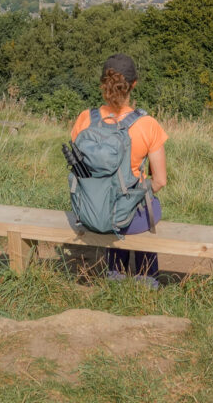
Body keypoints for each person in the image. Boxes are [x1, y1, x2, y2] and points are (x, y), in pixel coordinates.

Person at [70, 53, 169, 287]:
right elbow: (160, 181)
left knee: (113, 207)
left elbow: (81, 170)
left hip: (91, 214)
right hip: (130, 221)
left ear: (103, 84)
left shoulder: (86, 119)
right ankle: (146, 278)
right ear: (134, 84)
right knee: (146, 204)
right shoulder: (147, 125)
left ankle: (116, 274)